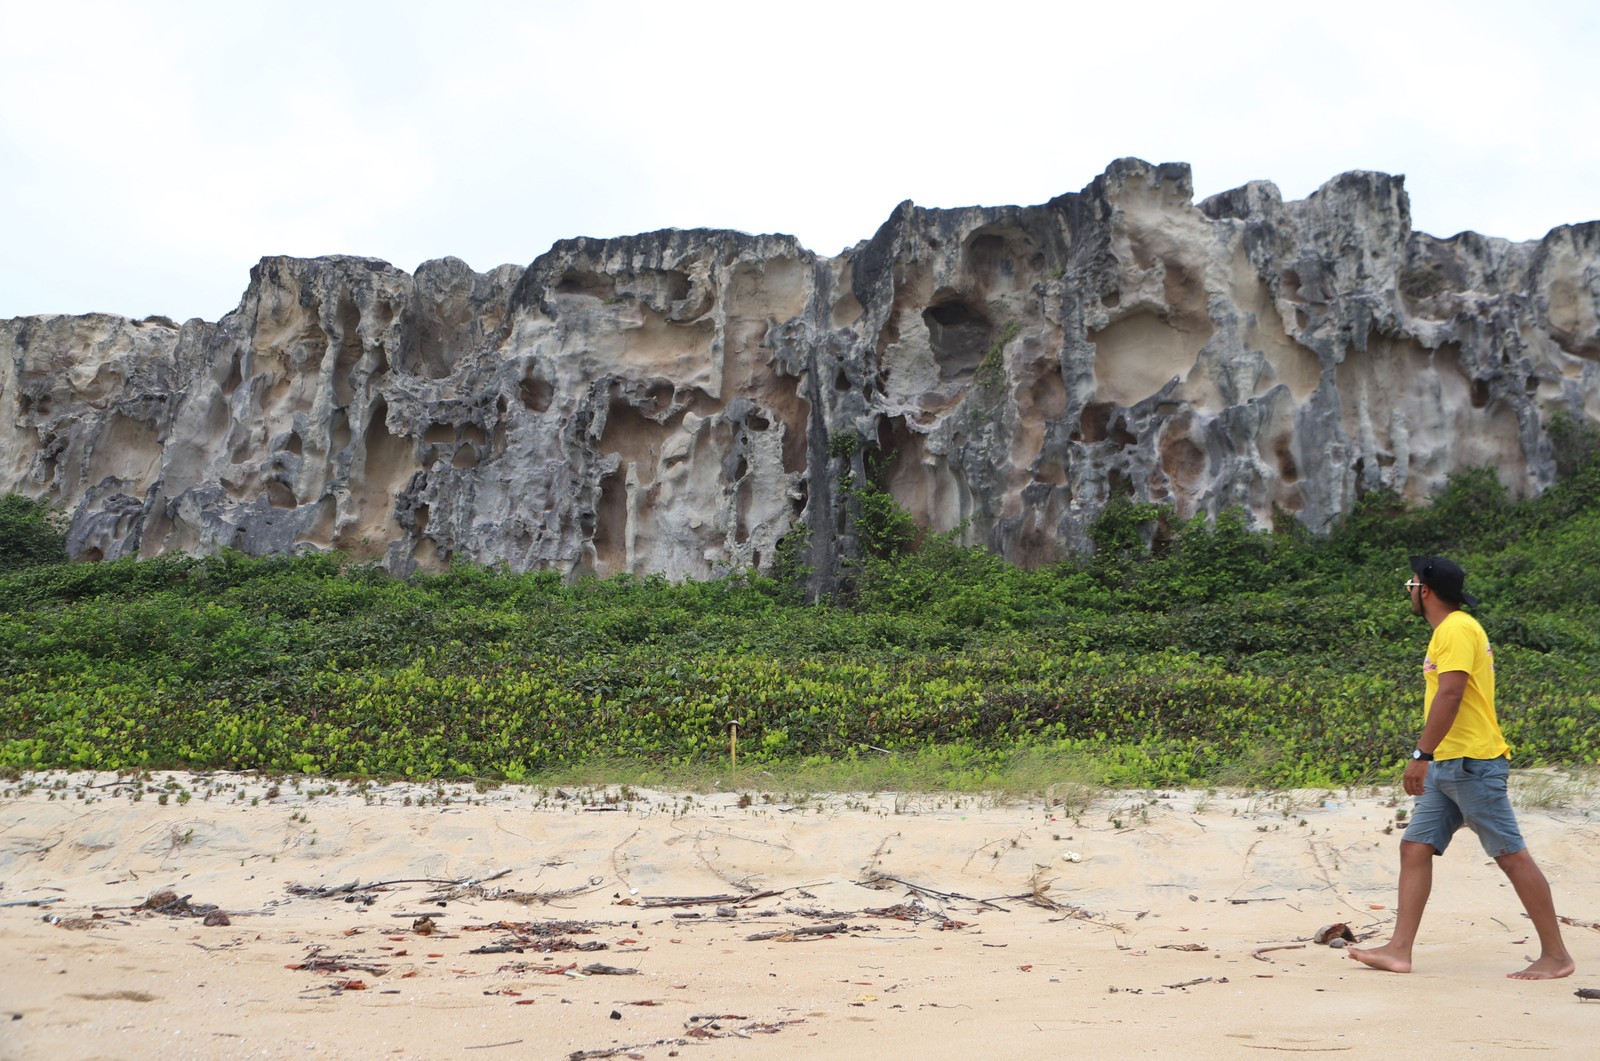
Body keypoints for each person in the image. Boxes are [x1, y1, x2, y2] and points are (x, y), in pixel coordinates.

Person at [1347, 556, 1575, 980]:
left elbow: (1450, 695)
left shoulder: (1454, 630)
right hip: (1450, 765)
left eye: (1411, 585)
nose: (1410, 591)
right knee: (1415, 847)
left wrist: (1421, 755)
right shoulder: (1455, 629)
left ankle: (1556, 956)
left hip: (1470, 764)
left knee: (1511, 856)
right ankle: (1399, 950)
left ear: (1425, 591)